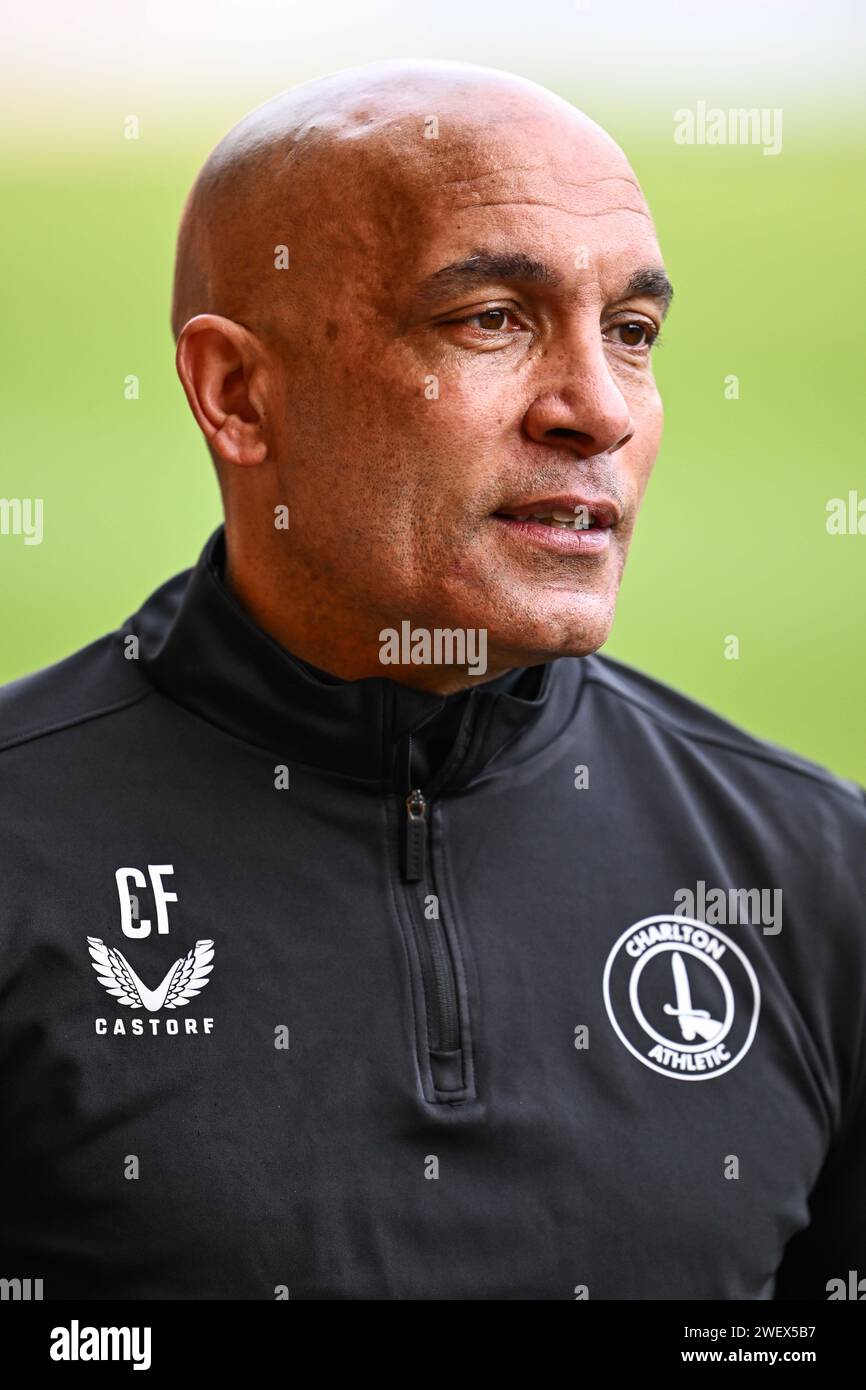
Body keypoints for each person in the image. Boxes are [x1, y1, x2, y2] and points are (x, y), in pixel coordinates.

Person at [1, 59, 863, 1301]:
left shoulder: (810, 873)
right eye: (491, 320)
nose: (597, 411)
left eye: (631, 332)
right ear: (237, 393)